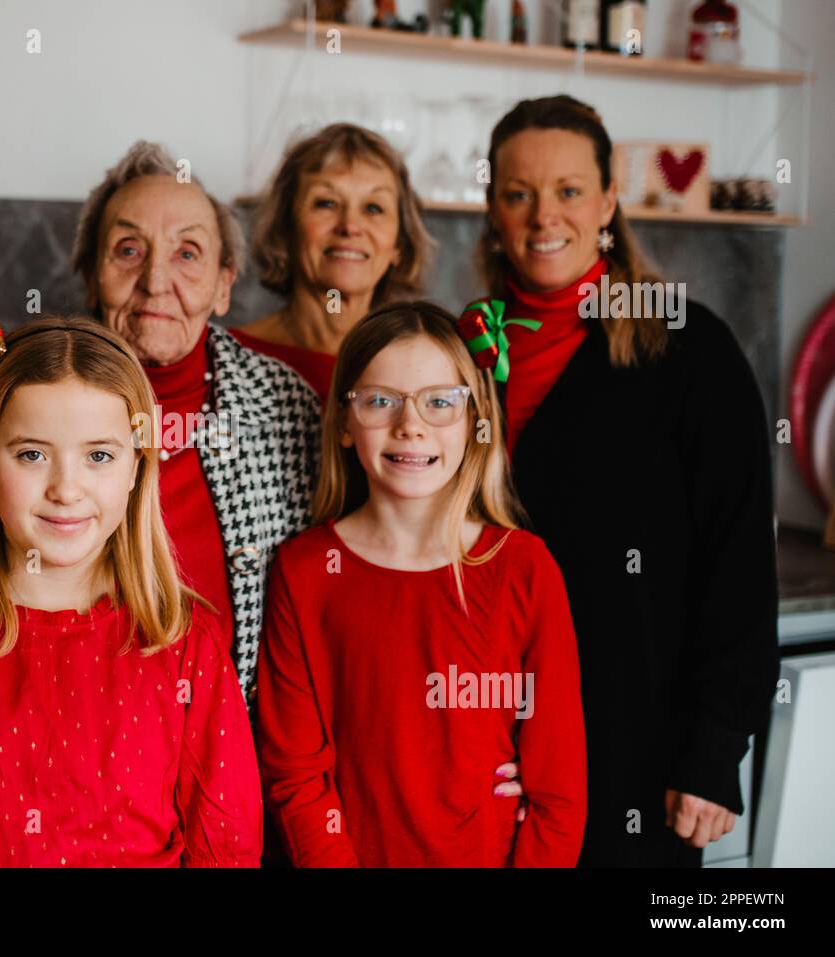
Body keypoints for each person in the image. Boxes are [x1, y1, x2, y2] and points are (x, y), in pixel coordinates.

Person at [474, 94, 778, 866]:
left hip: (637, 746)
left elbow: (739, 563)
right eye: (519, 193)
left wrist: (715, 751)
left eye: (570, 191)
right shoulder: (463, 350)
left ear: (609, 199)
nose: (545, 217)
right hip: (481, 736)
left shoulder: (687, 348)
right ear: (492, 206)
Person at [0, 317, 262, 867]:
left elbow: (226, 847)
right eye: (32, 454)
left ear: (137, 467)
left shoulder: (185, 646)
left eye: (99, 456)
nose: (65, 488)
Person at [257, 302, 586, 866]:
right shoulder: (304, 572)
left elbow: (558, 792)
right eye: (381, 400)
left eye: (440, 402)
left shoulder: (524, 568)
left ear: (474, 420)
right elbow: (296, 777)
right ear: (343, 421)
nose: (411, 425)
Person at [71, 141, 321, 702]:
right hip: (78, 742)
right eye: (128, 249)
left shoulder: (286, 406)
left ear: (224, 285)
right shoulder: (33, 400)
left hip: (244, 747)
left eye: (188, 253)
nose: (156, 280)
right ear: (92, 274)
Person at [233, 123, 432, 400]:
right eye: (326, 203)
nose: (350, 226)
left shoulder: (426, 368)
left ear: (399, 243)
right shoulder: (227, 357)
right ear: (286, 228)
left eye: (373, 208)